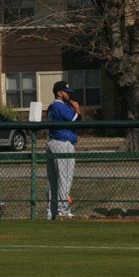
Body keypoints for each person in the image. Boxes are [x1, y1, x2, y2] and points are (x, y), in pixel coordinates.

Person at [45, 80, 81, 220]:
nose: (69, 94)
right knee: (64, 178)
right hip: (62, 143)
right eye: (66, 92)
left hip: (53, 142)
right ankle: (62, 210)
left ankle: (52, 211)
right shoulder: (59, 106)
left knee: (53, 180)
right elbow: (77, 120)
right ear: (59, 93)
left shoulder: (51, 107)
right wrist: (77, 108)